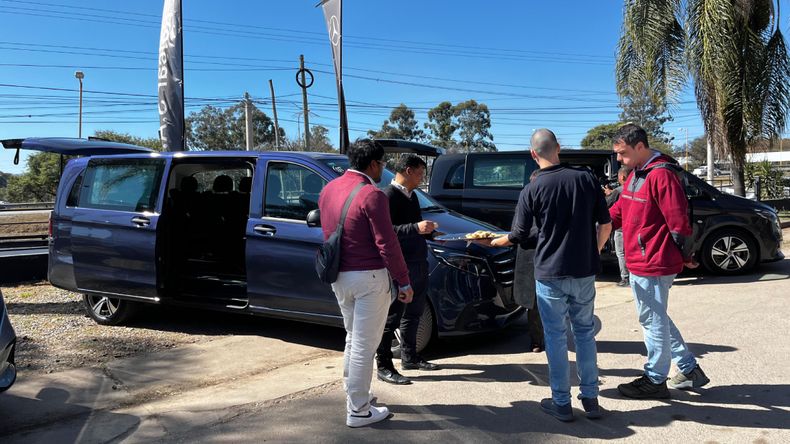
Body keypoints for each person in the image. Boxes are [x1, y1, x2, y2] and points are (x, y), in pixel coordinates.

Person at [491, 129, 612, 422]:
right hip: (583, 271)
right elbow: (606, 224)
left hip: (549, 272)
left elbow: (519, 234)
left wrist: (496, 241)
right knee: (584, 333)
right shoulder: (585, 178)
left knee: (555, 338)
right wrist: (593, 252)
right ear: (559, 147)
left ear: (533, 154)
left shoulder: (531, 189)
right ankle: (591, 399)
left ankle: (561, 402)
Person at [317, 139, 414, 428]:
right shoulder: (372, 194)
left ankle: (357, 396)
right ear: (373, 164)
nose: (383, 169)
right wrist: (404, 281)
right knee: (364, 344)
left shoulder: (328, 189)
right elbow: (387, 243)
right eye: (382, 164)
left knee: (352, 338)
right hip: (370, 277)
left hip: (339, 277)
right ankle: (358, 409)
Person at [609, 124, 710, 399]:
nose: (618, 159)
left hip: (654, 260)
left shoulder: (661, 175)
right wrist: (594, 219)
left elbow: (679, 223)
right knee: (657, 318)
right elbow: (618, 211)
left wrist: (686, 256)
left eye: (622, 153)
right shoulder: (636, 174)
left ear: (640, 147)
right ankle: (689, 369)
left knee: (652, 320)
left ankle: (655, 379)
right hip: (640, 259)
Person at [376, 154, 441, 385]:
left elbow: (414, 227)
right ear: (408, 170)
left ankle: (410, 356)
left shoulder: (412, 197)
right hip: (399, 264)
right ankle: (383, 364)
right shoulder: (387, 196)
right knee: (393, 315)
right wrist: (416, 227)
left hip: (418, 260)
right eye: (421, 172)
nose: (422, 178)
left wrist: (430, 232)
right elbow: (387, 230)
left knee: (415, 311)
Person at [512, 169, 544, 353]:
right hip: (529, 254)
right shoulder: (525, 198)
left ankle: (543, 337)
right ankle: (536, 340)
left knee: (546, 301)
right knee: (533, 302)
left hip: (547, 255)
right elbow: (518, 229)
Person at [604, 166, 632, 287]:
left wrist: (608, 194)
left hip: (621, 227)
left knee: (621, 253)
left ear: (622, 177)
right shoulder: (637, 188)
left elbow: (606, 204)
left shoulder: (619, 190)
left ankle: (625, 278)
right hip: (634, 226)